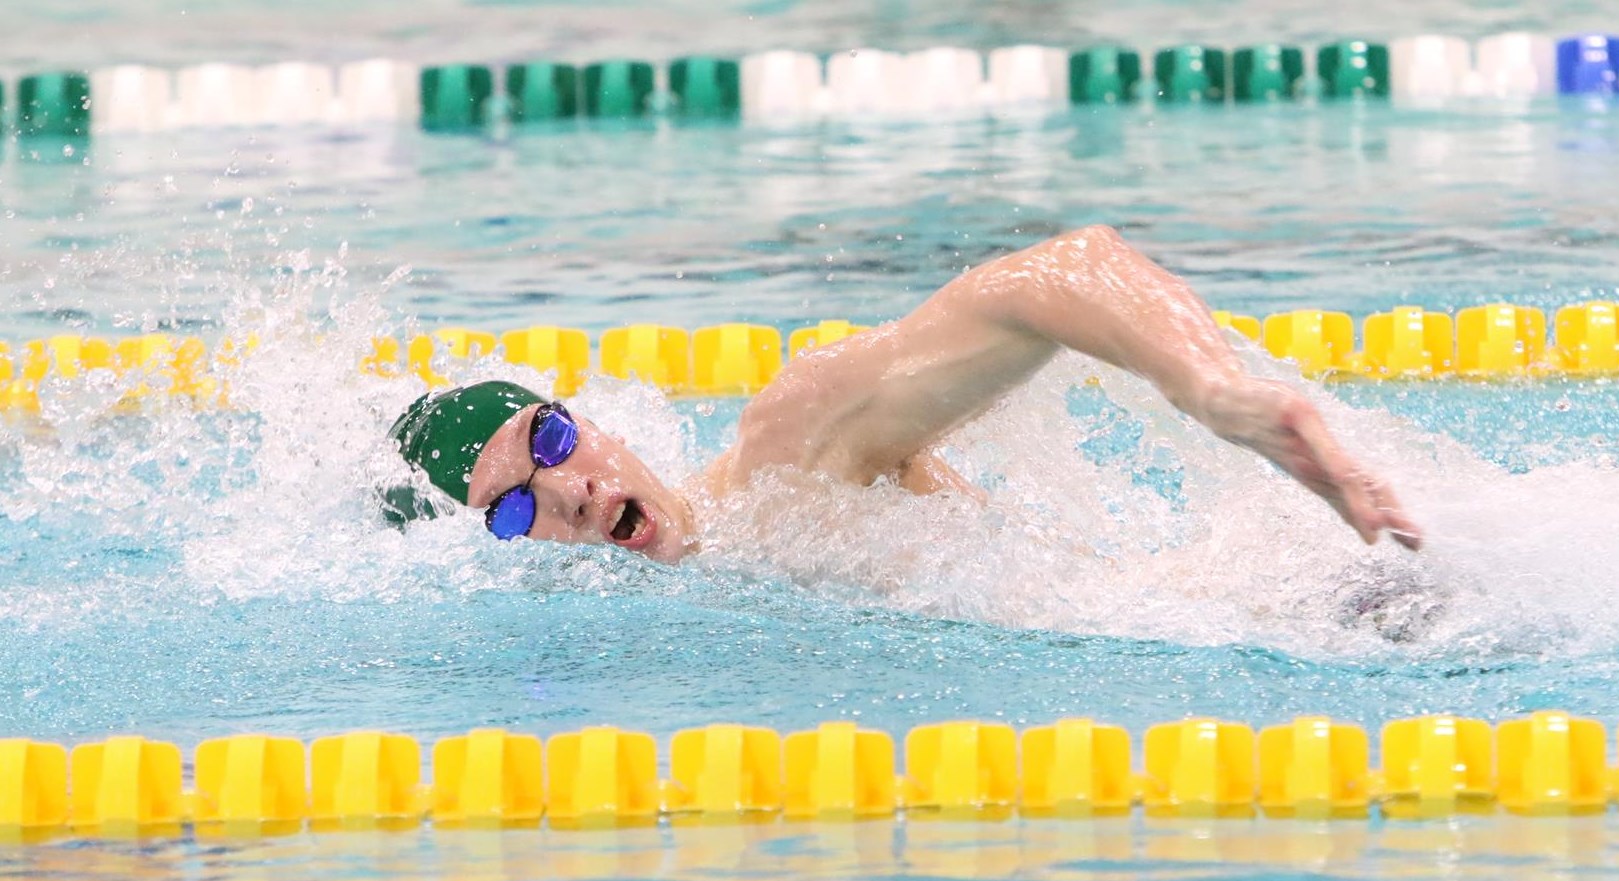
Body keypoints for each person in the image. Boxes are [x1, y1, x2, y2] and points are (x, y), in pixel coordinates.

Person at [386, 226, 1422, 561]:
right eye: (514, 509)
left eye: (552, 439)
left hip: (1341, 595)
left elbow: (1053, 272)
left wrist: (1217, 395)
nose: (567, 493)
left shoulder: (785, 458)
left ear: (594, 416)